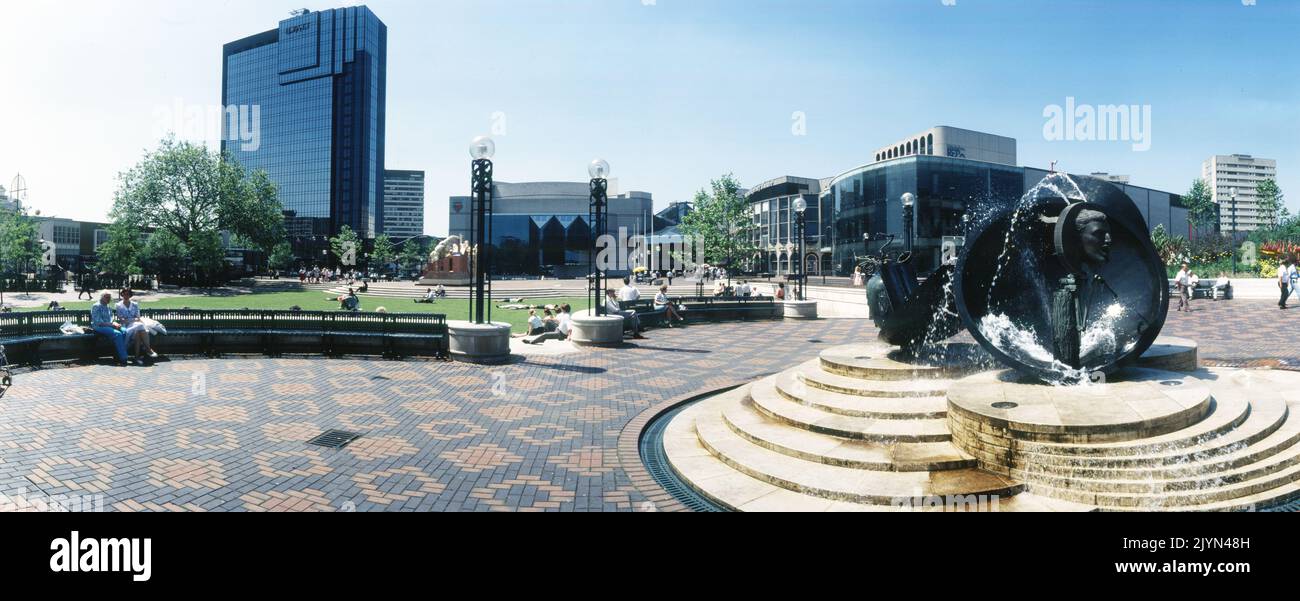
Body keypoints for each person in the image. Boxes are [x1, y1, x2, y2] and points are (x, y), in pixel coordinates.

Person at [116, 288, 156, 363]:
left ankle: (137, 357)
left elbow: (138, 317)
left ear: (130, 295)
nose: (126, 296)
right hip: (126, 326)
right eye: (124, 294)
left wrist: (130, 319)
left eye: (128, 294)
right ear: (122, 294)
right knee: (140, 326)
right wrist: (133, 319)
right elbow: (122, 320)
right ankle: (148, 349)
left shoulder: (135, 304)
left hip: (136, 325)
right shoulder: (118, 305)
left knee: (138, 331)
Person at [91, 293, 130, 366]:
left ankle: (117, 355)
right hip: (98, 327)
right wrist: (112, 325)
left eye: (109, 297)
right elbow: (98, 321)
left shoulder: (108, 307)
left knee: (125, 331)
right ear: (102, 297)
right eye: (107, 297)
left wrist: (116, 323)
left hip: (109, 326)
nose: (109, 299)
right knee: (117, 334)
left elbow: (111, 319)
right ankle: (123, 358)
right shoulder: (96, 306)